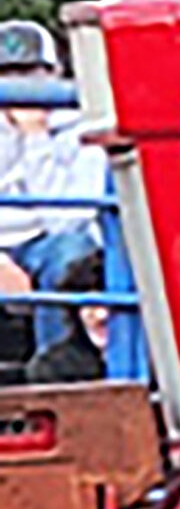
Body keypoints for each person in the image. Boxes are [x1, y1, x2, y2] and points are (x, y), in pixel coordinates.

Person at [0, 19, 109, 353]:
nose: (20, 87)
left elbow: (68, 220)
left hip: (46, 244)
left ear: (55, 74)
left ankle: (57, 374)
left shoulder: (82, 130)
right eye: (6, 75)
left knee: (72, 255)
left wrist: (36, 138)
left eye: (32, 73)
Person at [24, 249, 108, 383]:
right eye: (91, 305)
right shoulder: (51, 367)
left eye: (110, 307)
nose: (101, 315)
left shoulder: (151, 358)